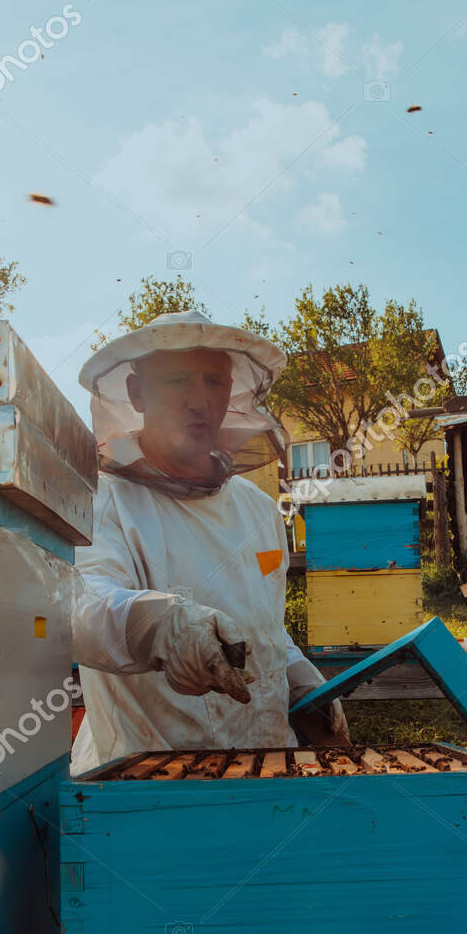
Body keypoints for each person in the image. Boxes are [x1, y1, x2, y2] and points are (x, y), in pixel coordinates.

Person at [69, 310, 347, 775]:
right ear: (137, 393)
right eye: (178, 380)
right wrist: (161, 626)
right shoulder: (101, 502)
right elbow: (82, 607)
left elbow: (263, 625)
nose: (200, 401)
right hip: (145, 780)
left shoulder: (258, 508)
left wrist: (301, 684)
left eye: (215, 382)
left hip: (268, 766)